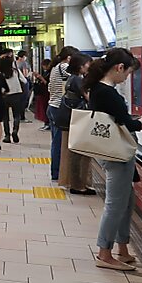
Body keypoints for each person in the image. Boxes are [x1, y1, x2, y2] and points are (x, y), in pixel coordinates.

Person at [86, 48, 142, 271]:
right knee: (115, 203)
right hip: (115, 153)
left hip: (110, 150)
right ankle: (104, 252)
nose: (127, 78)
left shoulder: (98, 89)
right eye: (128, 73)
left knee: (126, 201)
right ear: (119, 68)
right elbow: (127, 123)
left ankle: (123, 248)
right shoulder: (107, 92)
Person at [56, 54, 94, 195]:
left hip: (70, 118)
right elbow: (88, 98)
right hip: (78, 119)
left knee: (71, 151)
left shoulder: (71, 78)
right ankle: (77, 184)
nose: (89, 66)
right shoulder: (78, 80)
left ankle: (72, 182)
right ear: (81, 65)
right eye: (87, 64)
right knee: (77, 153)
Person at [47, 46, 81, 181]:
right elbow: (75, 81)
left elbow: (50, 87)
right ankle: (57, 173)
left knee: (56, 142)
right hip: (59, 108)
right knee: (59, 143)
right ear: (69, 58)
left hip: (53, 106)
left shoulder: (55, 68)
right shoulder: (64, 67)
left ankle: (57, 172)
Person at [1, 54, 26, 144]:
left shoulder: (0, 73)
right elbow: (25, 81)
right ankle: (15, 131)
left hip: (5, 96)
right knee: (17, 116)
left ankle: (7, 136)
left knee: (5, 118)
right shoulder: (16, 71)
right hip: (16, 95)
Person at [16, 51, 34, 124]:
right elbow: (25, 74)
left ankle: (18, 115)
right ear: (24, 56)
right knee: (24, 100)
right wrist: (31, 73)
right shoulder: (24, 63)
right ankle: (22, 116)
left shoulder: (15, 63)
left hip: (17, 83)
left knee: (18, 100)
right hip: (24, 82)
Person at [34, 58, 53, 128]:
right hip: (43, 92)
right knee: (43, 107)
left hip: (47, 92)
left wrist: (41, 78)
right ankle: (46, 122)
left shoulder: (51, 73)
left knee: (46, 107)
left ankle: (48, 123)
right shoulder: (46, 72)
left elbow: (48, 83)